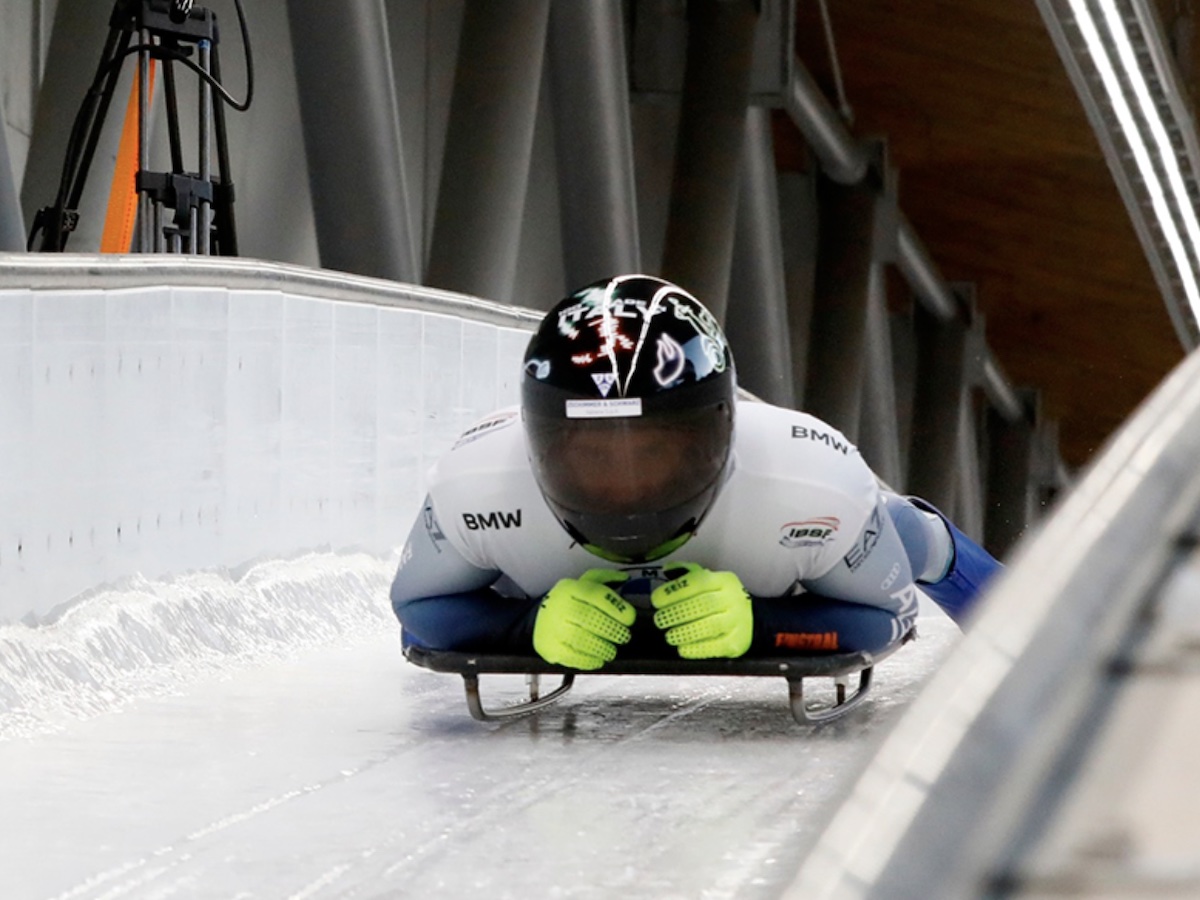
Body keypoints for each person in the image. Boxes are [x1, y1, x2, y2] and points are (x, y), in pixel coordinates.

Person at [390, 275, 1001, 670]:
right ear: (536, 440)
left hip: (775, 555)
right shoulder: (474, 480)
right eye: (592, 453)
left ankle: (1018, 616)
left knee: (905, 535)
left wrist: (760, 625)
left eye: (654, 450)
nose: (624, 484)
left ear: (722, 430)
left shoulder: (811, 480)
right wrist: (528, 629)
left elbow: (889, 613)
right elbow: (416, 605)